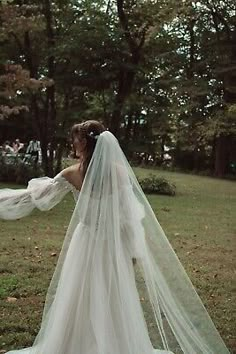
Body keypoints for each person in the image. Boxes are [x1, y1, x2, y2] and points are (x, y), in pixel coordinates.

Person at [0, 120, 230, 354]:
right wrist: (133, 250)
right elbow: (129, 216)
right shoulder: (118, 173)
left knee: (81, 292)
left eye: (76, 140)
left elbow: (36, 196)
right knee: (110, 293)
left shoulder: (71, 174)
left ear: (84, 143)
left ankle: (78, 343)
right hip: (112, 244)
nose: (73, 144)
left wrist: (6, 200)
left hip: (86, 241)